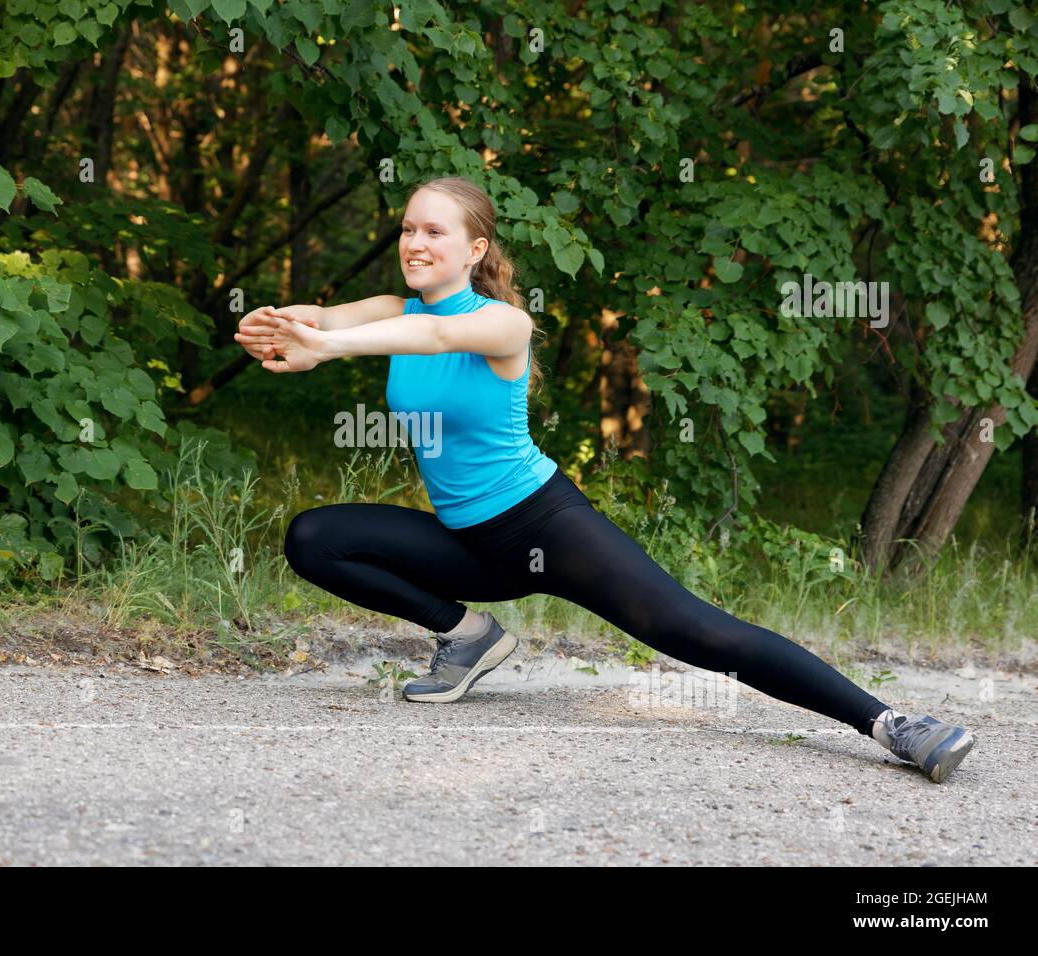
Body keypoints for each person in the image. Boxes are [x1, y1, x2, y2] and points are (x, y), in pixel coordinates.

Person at [234, 175, 976, 784]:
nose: (414, 242)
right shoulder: (389, 309)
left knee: (699, 633)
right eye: (406, 228)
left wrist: (329, 348)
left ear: (475, 248)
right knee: (314, 538)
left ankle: (891, 724)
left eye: (433, 231)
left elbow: (431, 335)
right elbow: (326, 314)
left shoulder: (501, 326)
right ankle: (467, 634)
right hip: (465, 546)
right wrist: (277, 324)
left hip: (545, 528)